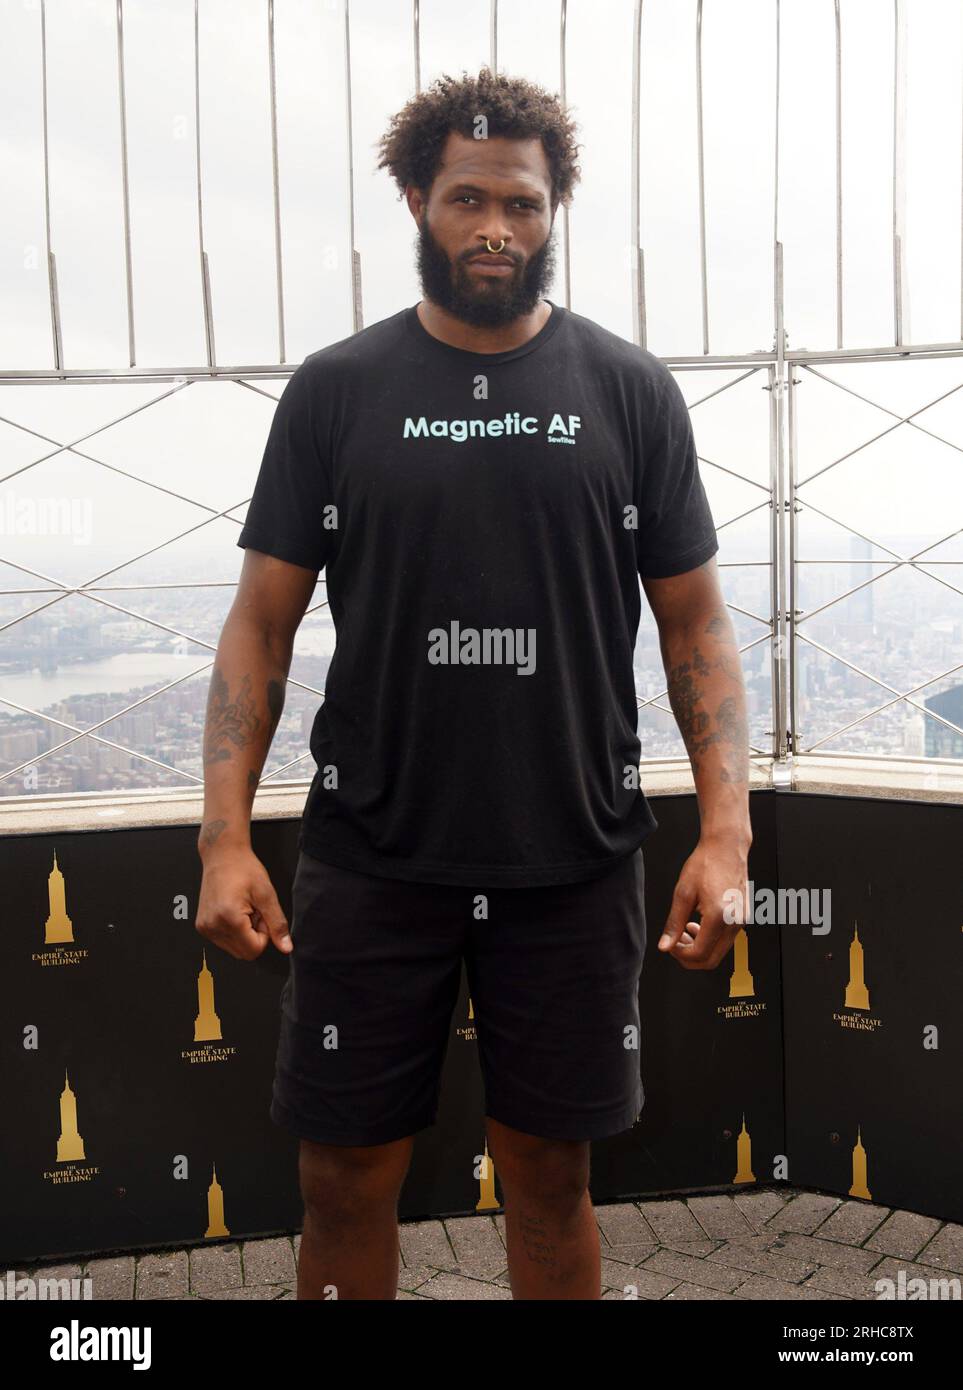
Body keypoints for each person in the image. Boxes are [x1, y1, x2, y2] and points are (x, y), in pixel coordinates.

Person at [195, 66, 751, 1301]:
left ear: (554, 212)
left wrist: (728, 831)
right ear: (414, 201)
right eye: (466, 201)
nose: (497, 228)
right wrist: (221, 838)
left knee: (550, 1177)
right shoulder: (337, 392)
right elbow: (259, 629)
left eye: (524, 205)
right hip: (371, 859)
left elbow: (699, 629)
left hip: (574, 860)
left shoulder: (629, 393)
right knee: (342, 1179)